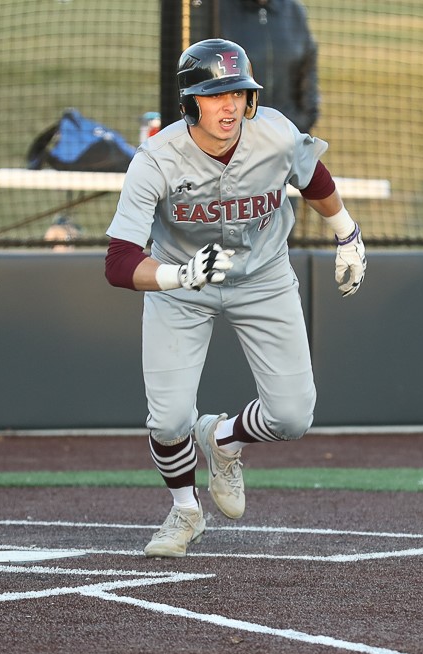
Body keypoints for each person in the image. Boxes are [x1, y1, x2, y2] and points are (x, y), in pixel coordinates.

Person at [103, 38, 366, 558]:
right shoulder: (155, 159)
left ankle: (223, 439)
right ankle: (184, 511)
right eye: (214, 94)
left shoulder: (275, 134)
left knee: (293, 417)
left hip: (263, 276)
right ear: (190, 102)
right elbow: (118, 263)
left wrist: (346, 231)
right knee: (168, 420)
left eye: (238, 93)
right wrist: (180, 275)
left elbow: (313, 177)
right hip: (181, 288)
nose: (229, 106)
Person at [198, 0, 319, 134]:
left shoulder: (294, 11)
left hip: (288, 135)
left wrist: (303, 121)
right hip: (236, 138)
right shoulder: (217, 10)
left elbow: (307, 70)